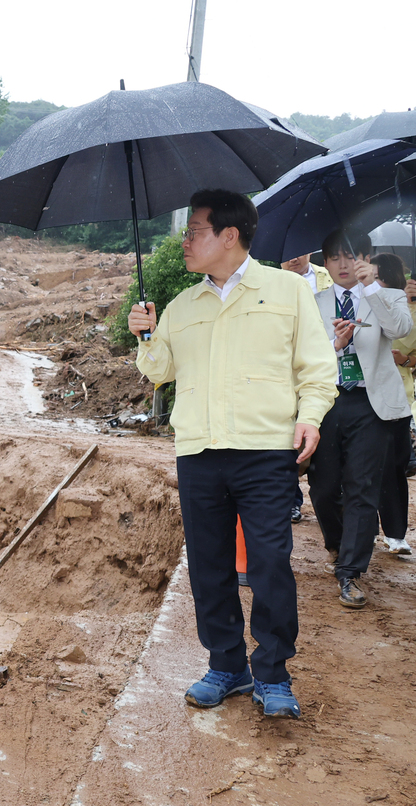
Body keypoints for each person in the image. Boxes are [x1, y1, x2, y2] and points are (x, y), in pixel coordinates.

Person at [128, 189, 336, 720]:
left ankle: (272, 671)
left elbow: (317, 368)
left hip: (266, 451)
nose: (185, 242)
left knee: (269, 564)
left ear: (229, 236)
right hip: (198, 452)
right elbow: (158, 371)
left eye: (194, 230)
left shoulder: (287, 292)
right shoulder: (182, 305)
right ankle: (226, 665)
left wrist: (309, 416)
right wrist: (146, 334)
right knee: (209, 566)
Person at [308, 232, 413, 608]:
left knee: (362, 487)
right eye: (334, 257)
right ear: (324, 262)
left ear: (366, 259)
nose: (343, 264)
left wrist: (371, 290)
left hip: (372, 406)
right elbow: (301, 354)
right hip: (328, 402)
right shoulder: (313, 302)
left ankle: (350, 572)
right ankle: (337, 544)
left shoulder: (387, 296)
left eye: (350, 257)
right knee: (322, 488)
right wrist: (334, 346)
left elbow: (400, 329)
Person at [281, 252, 329, 522]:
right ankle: (292, 501)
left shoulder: (329, 279)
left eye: (298, 253)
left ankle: (330, 498)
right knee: (289, 442)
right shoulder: (270, 285)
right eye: (286, 256)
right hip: (287, 375)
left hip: (320, 371)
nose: (293, 259)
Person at [371, 253, 415, 555]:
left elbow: (404, 334)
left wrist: (408, 359)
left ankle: (396, 533)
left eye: (374, 275)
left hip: (398, 395)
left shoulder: (404, 305)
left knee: (393, 468)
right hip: (363, 395)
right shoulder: (364, 301)